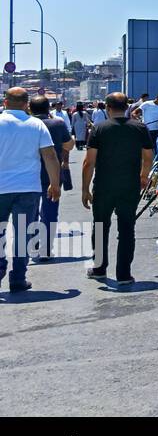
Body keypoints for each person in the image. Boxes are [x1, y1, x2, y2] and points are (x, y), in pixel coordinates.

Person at [81, 92, 152, 288]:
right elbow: (148, 155)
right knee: (127, 229)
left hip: (104, 185)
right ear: (127, 107)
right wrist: (144, 175)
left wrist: (85, 189)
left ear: (107, 107)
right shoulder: (140, 127)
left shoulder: (99, 128)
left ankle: (99, 268)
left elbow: (89, 162)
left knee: (100, 226)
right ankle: (124, 274)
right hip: (130, 185)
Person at [0, 87, 61, 293]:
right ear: (26, 104)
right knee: (23, 234)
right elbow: (50, 155)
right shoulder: (36, 125)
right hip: (28, 187)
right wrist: (54, 183)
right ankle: (18, 277)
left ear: (5, 103)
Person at [29, 95, 73, 261]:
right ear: (49, 108)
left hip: (29, 174)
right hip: (52, 173)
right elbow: (69, 145)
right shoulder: (57, 124)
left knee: (30, 212)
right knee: (50, 212)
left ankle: (32, 247)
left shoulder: (26, 124)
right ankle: (46, 249)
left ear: (30, 108)